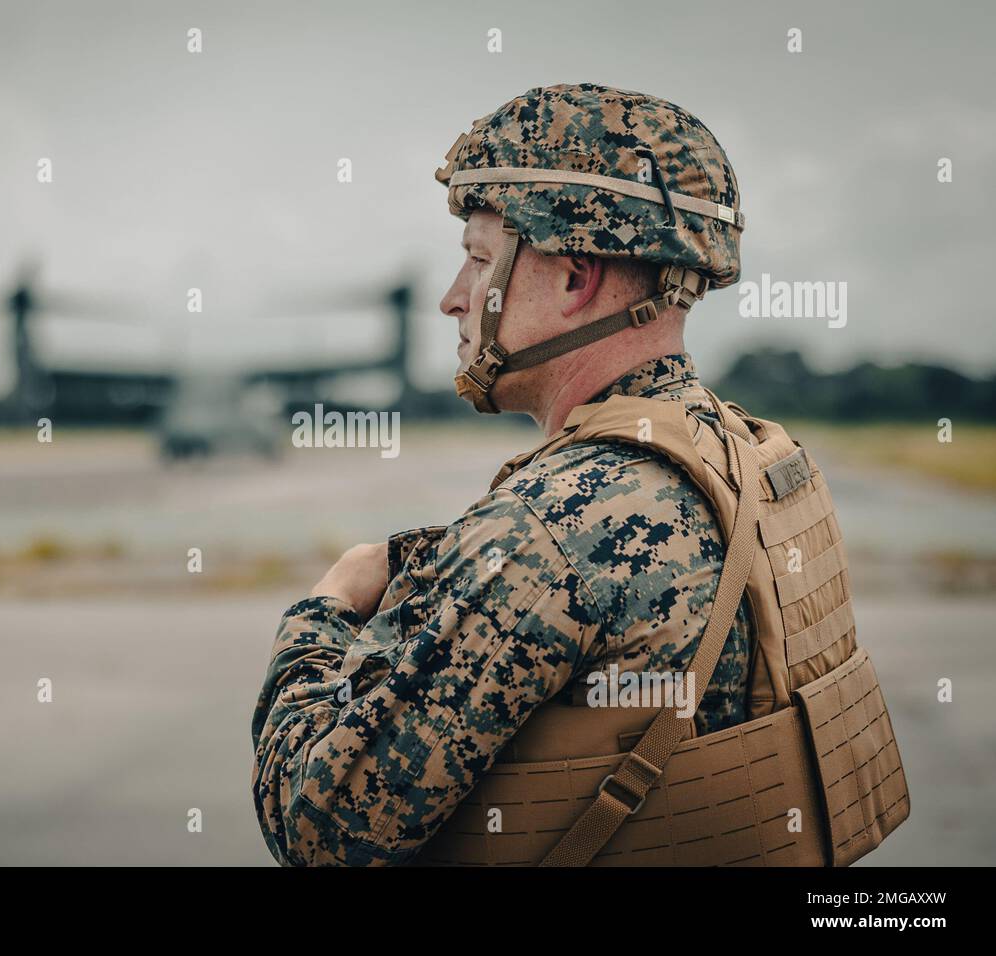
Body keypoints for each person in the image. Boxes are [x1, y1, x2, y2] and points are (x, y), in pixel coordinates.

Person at [250, 83, 906, 867]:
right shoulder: (765, 467)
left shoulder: (544, 533)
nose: (452, 300)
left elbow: (320, 830)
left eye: (478, 261)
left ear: (572, 278)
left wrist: (323, 612)